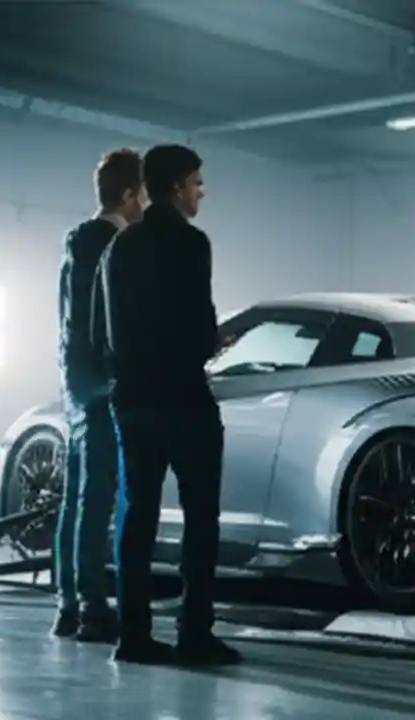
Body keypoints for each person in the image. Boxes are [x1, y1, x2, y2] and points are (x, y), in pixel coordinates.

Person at [92, 144, 242, 666]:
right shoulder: (192, 242)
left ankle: (132, 636)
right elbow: (198, 332)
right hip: (184, 400)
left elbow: (99, 333)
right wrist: (212, 342)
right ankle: (193, 633)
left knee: (136, 518)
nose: (201, 192)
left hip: (131, 402)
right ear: (177, 186)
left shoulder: (117, 248)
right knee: (201, 519)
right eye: (198, 183)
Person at [51, 148, 145, 642]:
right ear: (129, 195)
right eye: (144, 193)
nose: (147, 204)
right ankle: (92, 607)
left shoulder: (78, 243)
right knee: (100, 495)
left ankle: (68, 604)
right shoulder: (112, 245)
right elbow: (111, 324)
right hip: (102, 385)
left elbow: (70, 324)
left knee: (77, 497)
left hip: (76, 382)